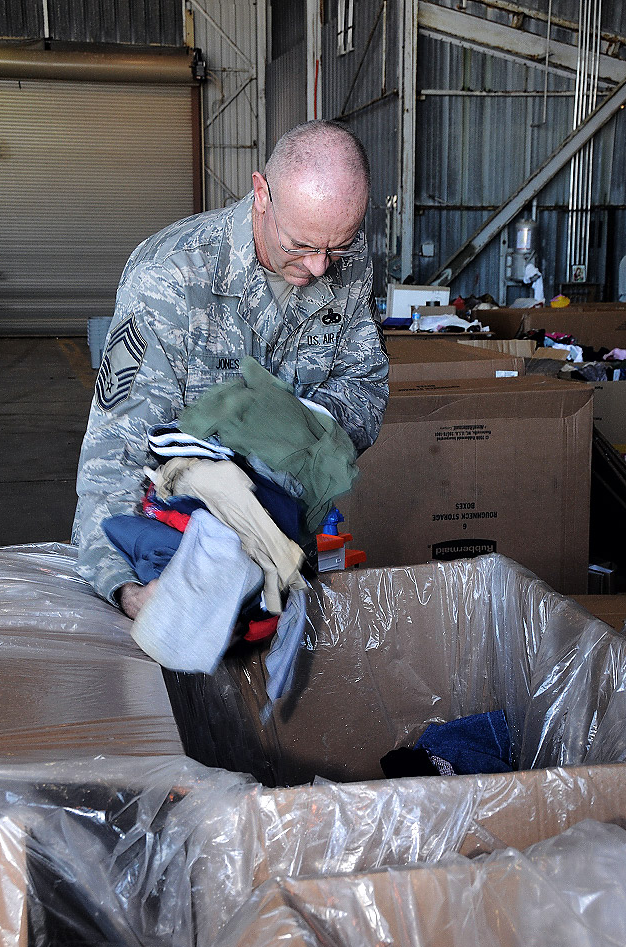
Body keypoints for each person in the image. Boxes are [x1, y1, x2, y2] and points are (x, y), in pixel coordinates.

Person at [73, 119, 389, 618]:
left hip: (285, 546)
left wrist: (283, 448)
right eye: (301, 246)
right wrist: (128, 589)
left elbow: (364, 385)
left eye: (338, 245)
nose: (321, 268)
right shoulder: (171, 279)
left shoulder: (346, 262)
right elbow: (112, 462)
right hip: (178, 562)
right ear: (261, 194)